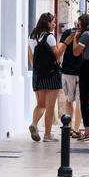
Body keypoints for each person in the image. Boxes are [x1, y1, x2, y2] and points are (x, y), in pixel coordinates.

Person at [27, 13, 67, 141]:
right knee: (50, 107)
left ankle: (34, 124)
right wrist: (66, 43)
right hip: (51, 75)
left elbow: (31, 59)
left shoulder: (32, 37)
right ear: (47, 23)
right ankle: (47, 135)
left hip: (38, 75)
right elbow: (57, 55)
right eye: (53, 22)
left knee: (41, 104)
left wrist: (38, 70)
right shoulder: (50, 37)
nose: (54, 25)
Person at [59, 23, 83, 139]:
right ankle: (76, 130)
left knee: (69, 100)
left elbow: (60, 49)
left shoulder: (67, 33)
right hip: (82, 71)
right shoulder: (87, 34)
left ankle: (68, 128)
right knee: (79, 102)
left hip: (68, 71)